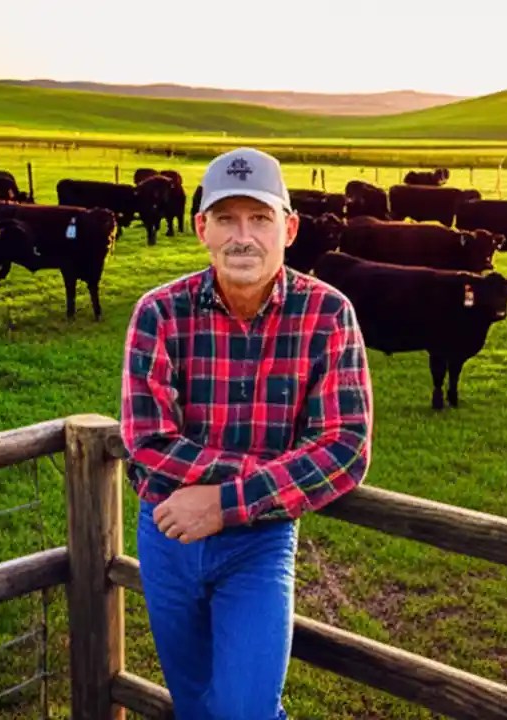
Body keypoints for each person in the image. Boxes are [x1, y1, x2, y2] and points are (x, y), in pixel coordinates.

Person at [120, 147, 374, 720]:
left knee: (246, 710)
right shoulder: (159, 313)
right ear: (201, 228)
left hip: (258, 542)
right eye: (227, 218)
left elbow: (346, 447)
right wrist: (275, 470)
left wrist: (226, 504)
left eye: (260, 218)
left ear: (288, 228)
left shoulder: (327, 314)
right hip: (169, 533)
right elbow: (148, 443)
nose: (244, 236)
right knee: (194, 705)